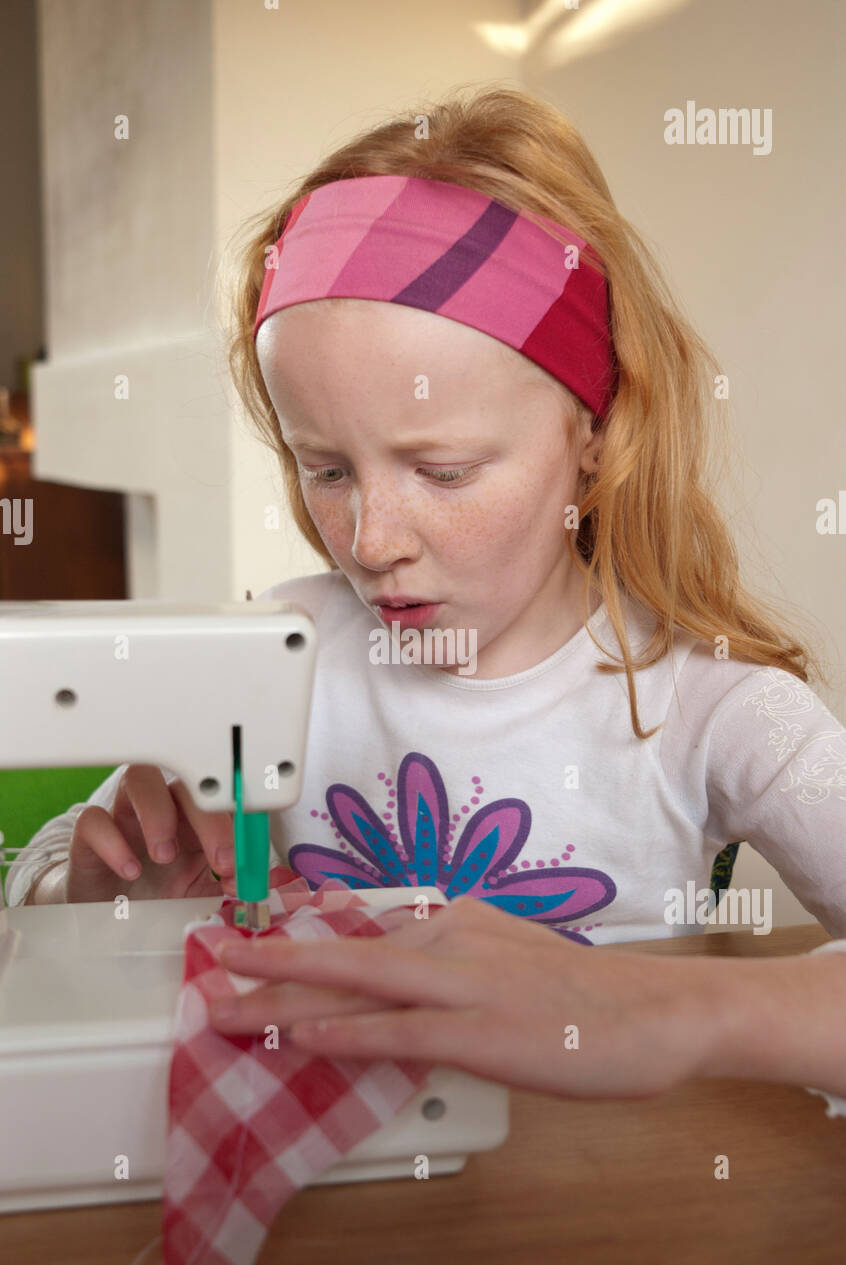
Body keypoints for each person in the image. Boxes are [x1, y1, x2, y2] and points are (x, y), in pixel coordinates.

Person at [7, 86, 846, 1112]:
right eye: (325, 469)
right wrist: (94, 902)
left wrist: (672, 1009)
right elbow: (51, 862)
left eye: (442, 472)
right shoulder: (284, 641)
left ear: (595, 436)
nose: (371, 541)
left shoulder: (713, 707)